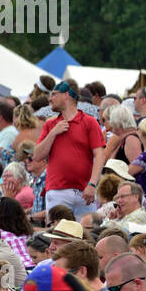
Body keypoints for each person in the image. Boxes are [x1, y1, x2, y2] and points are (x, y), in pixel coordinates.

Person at [35, 79, 106, 217]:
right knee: (57, 234)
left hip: (84, 191)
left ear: (66, 95)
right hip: (57, 190)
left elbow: (100, 154)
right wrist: (53, 133)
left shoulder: (89, 122)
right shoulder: (51, 125)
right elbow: (37, 156)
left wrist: (92, 184)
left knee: (85, 235)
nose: (50, 99)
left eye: (54, 94)